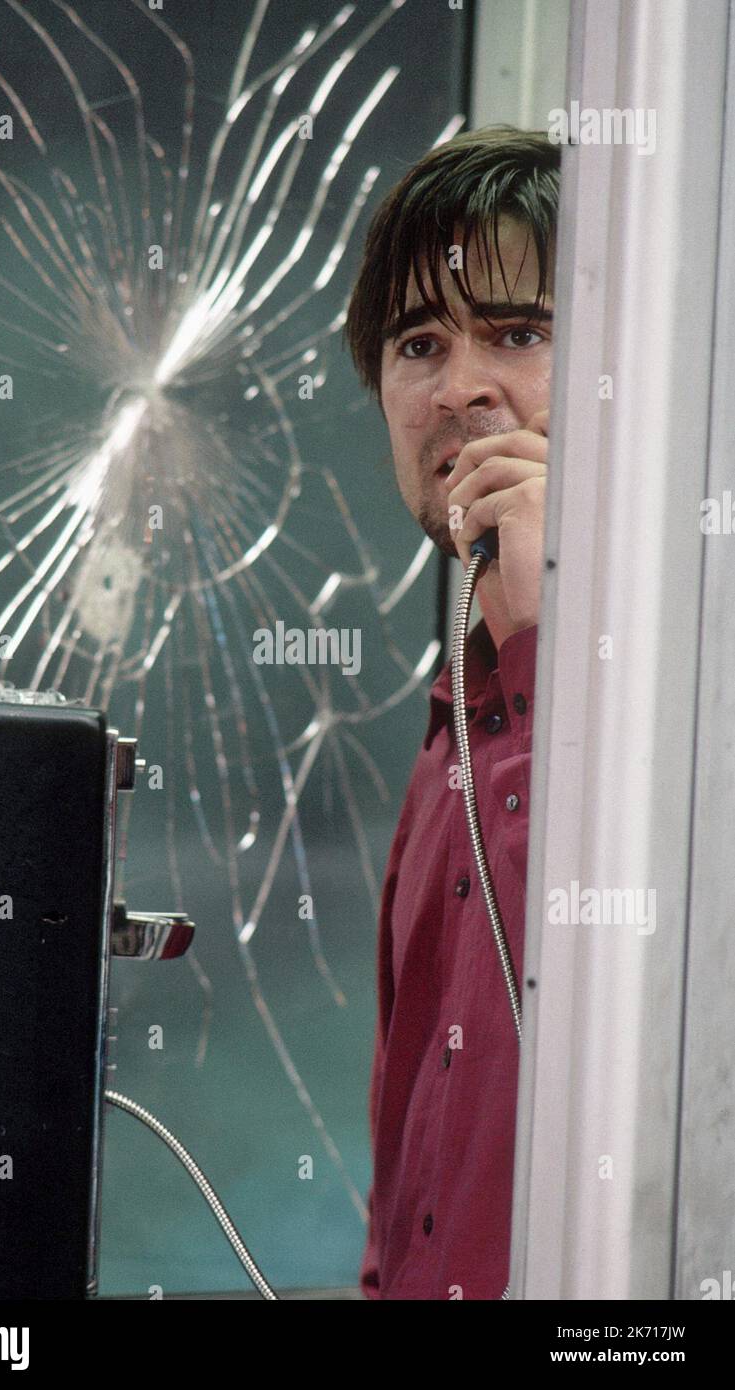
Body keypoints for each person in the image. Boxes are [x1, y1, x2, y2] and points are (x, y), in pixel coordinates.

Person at [345, 125, 560, 1299]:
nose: (461, 384)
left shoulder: (677, 733)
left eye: (516, 334)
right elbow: (407, 1188)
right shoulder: (451, 741)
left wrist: (540, 633)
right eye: (418, 343)